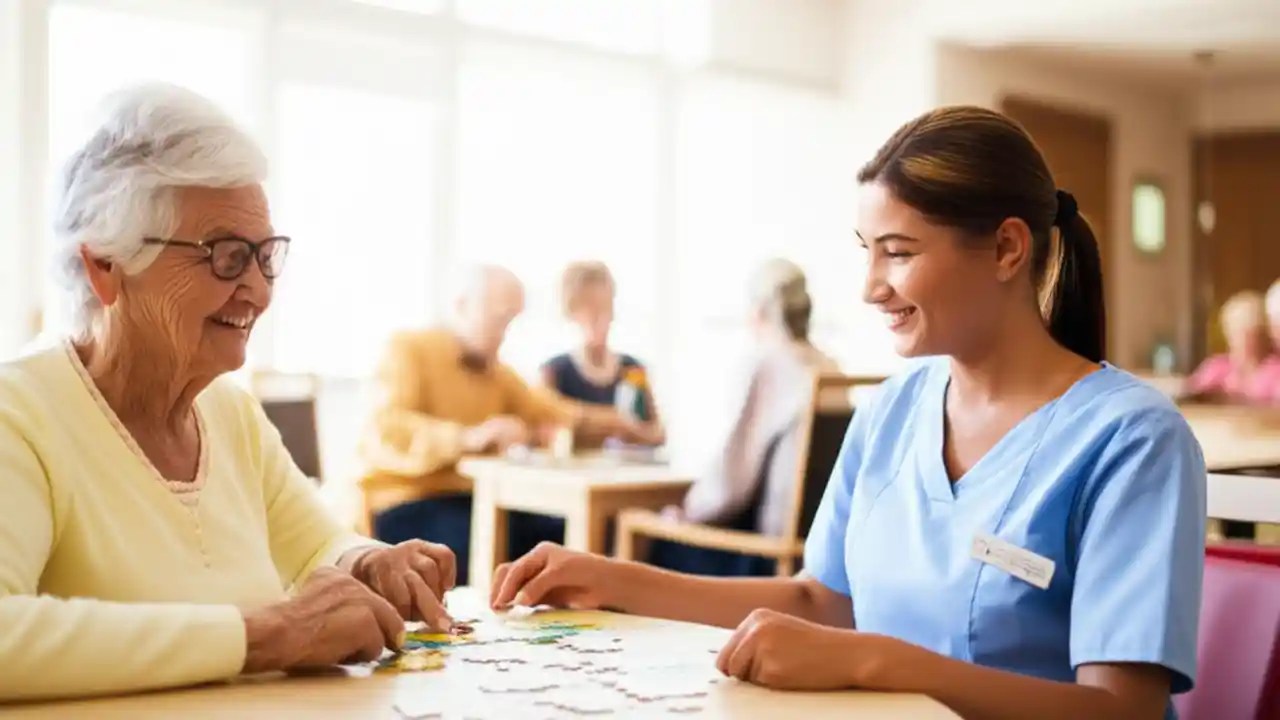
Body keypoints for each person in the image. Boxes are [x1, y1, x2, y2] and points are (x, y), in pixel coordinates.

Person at [489, 106, 1206, 720]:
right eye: (867, 252)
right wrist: (617, 581)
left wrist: (873, 663)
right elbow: (822, 600)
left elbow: (1122, 709)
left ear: (1008, 249)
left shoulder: (1132, 438)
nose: (870, 288)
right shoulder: (891, 411)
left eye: (897, 254)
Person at [0, 84, 458, 702]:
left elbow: (316, 542)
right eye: (224, 257)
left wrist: (368, 563)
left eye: (266, 256)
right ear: (104, 266)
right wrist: (266, 636)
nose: (258, 291)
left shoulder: (227, 410)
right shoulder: (20, 416)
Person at [358, 265, 633, 585]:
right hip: (401, 501)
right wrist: (469, 438)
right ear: (462, 306)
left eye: (510, 322)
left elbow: (553, 412)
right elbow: (385, 429)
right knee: (489, 549)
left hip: (475, 501)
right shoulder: (407, 348)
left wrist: (623, 424)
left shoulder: (498, 373)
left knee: (558, 542)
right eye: (498, 320)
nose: (503, 334)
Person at [649, 258, 840, 576]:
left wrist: (686, 513)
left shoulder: (768, 365)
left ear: (759, 312)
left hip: (763, 559)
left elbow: (730, 486)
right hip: (812, 556)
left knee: (651, 537)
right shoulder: (831, 368)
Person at [541, 261, 664, 448]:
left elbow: (658, 434)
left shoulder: (633, 369)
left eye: (603, 306)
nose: (597, 316)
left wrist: (629, 431)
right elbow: (545, 431)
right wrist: (611, 422)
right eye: (587, 307)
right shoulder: (554, 371)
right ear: (570, 311)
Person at [1182, 289, 1280, 404]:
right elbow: (1190, 396)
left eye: (1249, 332)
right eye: (1235, 330)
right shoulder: (1216, 367)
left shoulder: (1275, 371)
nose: (1241, 339)